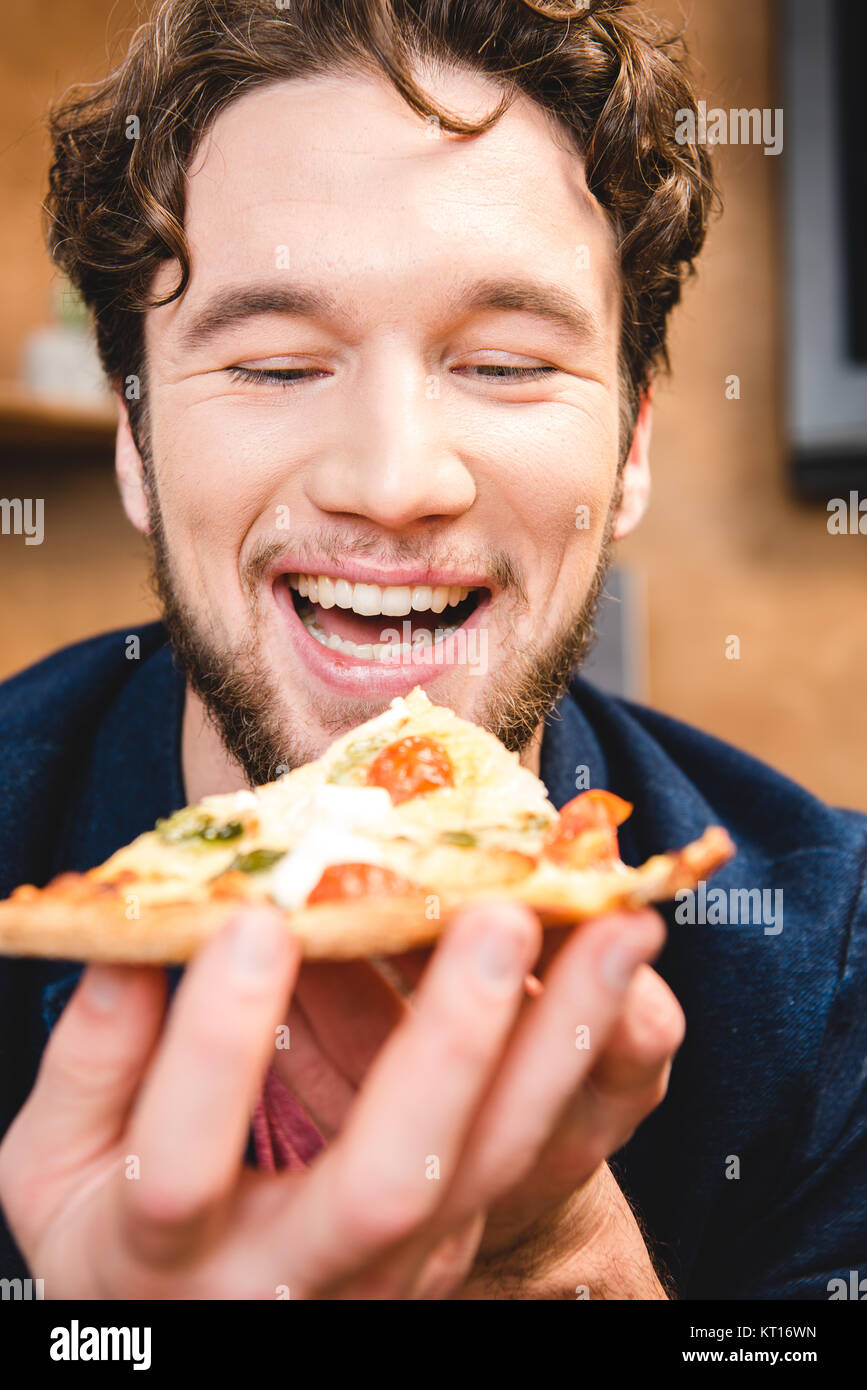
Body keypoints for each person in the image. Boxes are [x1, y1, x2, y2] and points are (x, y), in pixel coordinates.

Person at [0, 0, 864, 1300]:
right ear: (135, 444)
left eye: (507, 363)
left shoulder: (835, 967)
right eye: (278, 367)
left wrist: (550, 1252)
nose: (394, 479)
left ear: (628, 452)